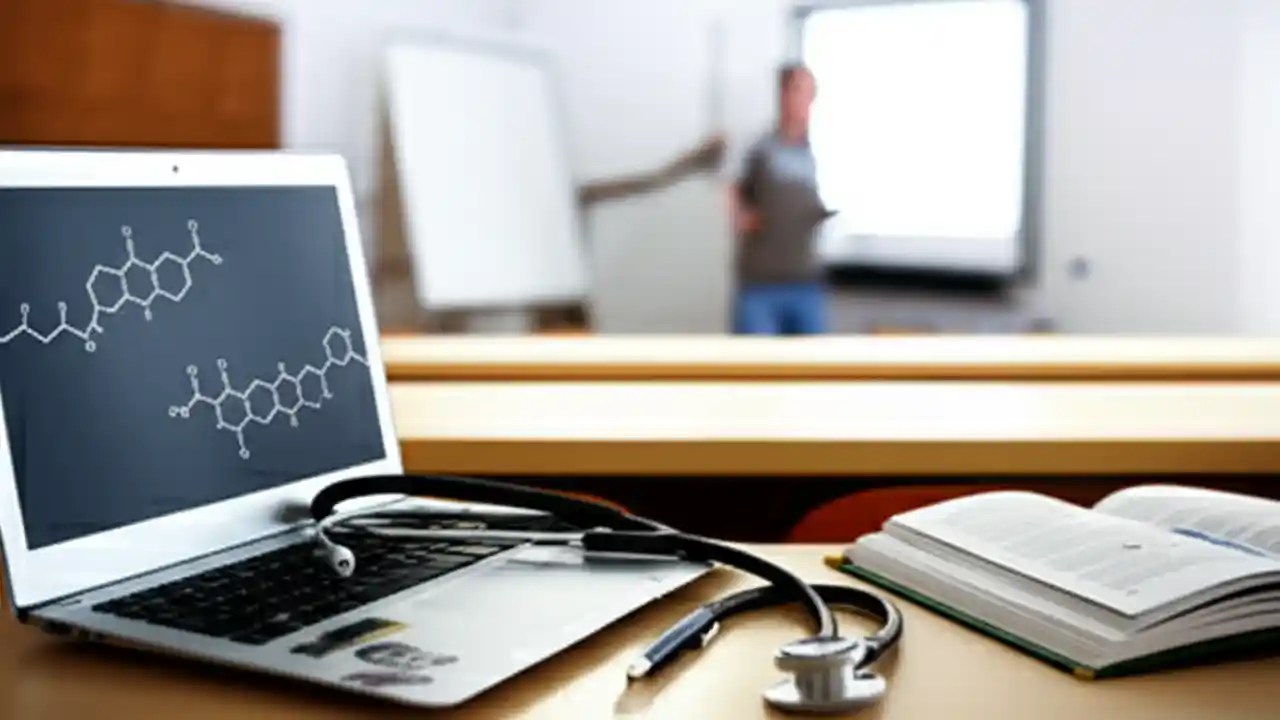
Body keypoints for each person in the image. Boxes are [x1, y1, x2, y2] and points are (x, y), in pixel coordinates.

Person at [730, 63, 834, 335]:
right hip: (761, 287)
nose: (802, 100)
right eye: (797, 91)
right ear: (783, 95)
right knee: (758, 372)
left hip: (805, 284)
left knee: (814, 372)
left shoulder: (816, 154)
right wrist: (739, 215)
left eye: (808, 93)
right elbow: (733, 189)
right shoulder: (760, 149)